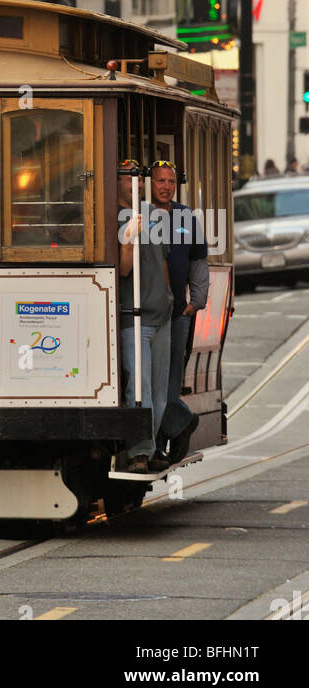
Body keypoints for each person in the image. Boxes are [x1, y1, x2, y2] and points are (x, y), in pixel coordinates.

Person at [148, 160, 208, 465]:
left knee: (170, 381)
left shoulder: (186, 216)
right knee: (155, 383)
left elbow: (199, 259)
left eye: (170, 182)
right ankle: (181, 421)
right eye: (160, 181)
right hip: (150, 313)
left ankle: (161, 442)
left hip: (178, 314)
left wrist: (195, 302)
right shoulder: (140, 215)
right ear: (150, 183)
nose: (165, 187)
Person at [116, 160, 172, 474]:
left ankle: (151, 448)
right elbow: (123, 270)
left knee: (160, 393)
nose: (135, 185)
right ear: (117, 183)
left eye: (139, 179)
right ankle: (138, 452)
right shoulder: (112, 217)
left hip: (160, 314)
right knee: (140, 389)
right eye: (128, 179)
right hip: (134, 318)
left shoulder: (153, 214)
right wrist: (127, 238)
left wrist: (169, 295)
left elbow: (162, 259)